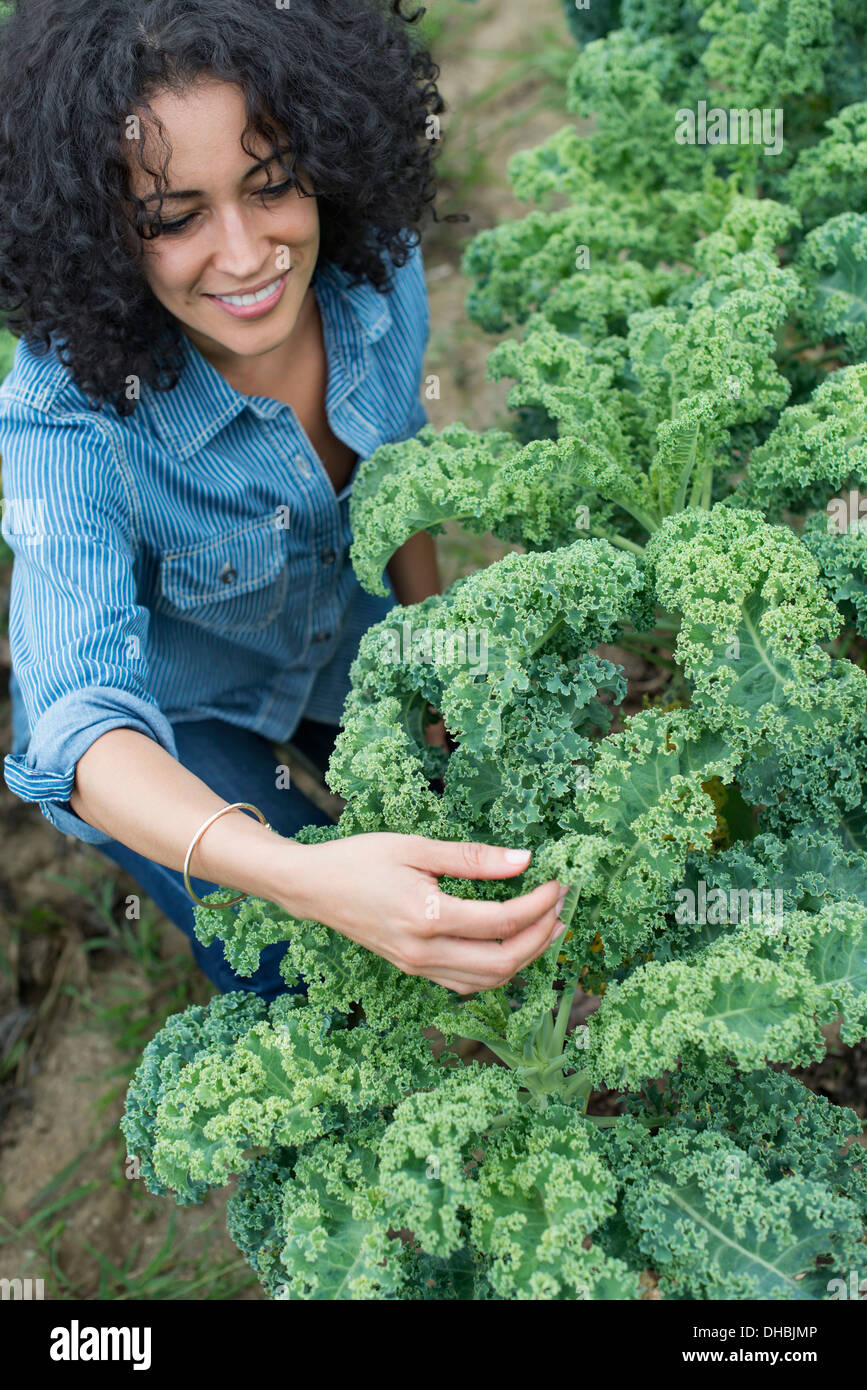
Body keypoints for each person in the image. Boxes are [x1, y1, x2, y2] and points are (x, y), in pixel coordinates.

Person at [0, 0, 568, 1000]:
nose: (248, 253)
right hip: (180, 716)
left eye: (273, 186)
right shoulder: (68, 422)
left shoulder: (370, 271)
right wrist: (304, 877)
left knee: (491, 820)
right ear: (97, 233)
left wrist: (430, 636)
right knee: (295, 960)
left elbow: (399, 471)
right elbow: (79, 728)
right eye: (173, 219)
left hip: (344, 641)